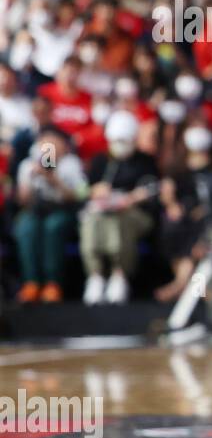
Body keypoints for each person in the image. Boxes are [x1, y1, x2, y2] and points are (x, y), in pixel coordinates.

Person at [80, 110, 157, 304]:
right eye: (116, 141)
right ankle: (95, 274)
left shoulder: (145, 161)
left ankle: (119, 273)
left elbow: (152, 188)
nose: (120, 146)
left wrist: (132, 198)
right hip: (101, 213)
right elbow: (83, 191)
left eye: (125, 141)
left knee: (119, 220)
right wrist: (95, 191)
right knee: (92, 221)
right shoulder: (101, 162)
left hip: (135, 214)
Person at [12, 126, 86, 302]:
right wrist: (33, 176)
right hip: (35, 209)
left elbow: (79, 195)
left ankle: (53, 283)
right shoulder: (27, 165)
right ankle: (31, 282)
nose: (48, 145)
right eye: (44, 141)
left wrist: (53, 179)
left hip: (62, 210)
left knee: (53, 227)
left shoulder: (71, 164)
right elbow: (22, 200)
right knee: (25, 227)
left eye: (53, 142)